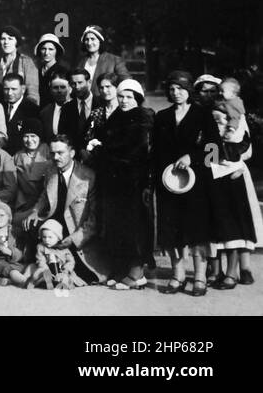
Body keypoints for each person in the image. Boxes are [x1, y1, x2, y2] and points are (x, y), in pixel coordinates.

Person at [87, 78, 154, 290]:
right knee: (117, 226)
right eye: (121, 97)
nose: (124, 101)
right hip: (114, 180)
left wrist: (102, 151)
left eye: (129, 97)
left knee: (134, 227)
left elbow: (133, 151)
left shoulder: (142, 117)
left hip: (133, 181)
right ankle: (122, 270)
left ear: (138, 99)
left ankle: (136, 274)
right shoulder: (117, 116)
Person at [150, 70, 211, 296]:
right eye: (172, 89)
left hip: (197, 184)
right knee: (172, 230)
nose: (176, 93)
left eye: (180, 89)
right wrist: (155, 180)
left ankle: (200, 276)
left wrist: (192, 158)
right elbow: (155, 151)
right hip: (168, 183)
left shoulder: (203, 115)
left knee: (196, 230)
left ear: (189, 91)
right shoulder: (162, 117)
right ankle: (178, 275)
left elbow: (213, 150)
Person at [23, 133, 109, 284]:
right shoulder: (51, 171)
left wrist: (74, 239)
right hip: (55, 223)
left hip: (76, 230)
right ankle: (43, 269)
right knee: (31, 226)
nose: (55, 157)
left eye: (60, 153)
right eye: (52, 153)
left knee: (81, 271)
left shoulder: (88, 176)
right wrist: (35, 212)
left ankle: (50, 273)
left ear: (72, 153)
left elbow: (94, 217)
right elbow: (45, 195)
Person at [205, 100, 257, 289]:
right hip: (215, 185)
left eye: (222, 122)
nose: (219, 126)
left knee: (234, 226)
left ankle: (234, 271)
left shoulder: (236, 141)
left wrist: (237, 165)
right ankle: (216, 270)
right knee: (215, 226)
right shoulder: (211, 144)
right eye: (215, 122)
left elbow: (245, 150)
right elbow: (208, 163)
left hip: (234, 184)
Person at [77, 25, 127, 100]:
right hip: (84, 103)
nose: (89, 43)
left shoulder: (114, 60)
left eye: (93, 39)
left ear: (100, 41)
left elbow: (126, 82)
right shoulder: (81, 62)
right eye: (87, 39)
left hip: (104, 103)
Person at [26, 220, 79, 291]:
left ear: (58, 238)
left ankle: (63, 284)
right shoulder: (41, 247)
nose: (47, 240)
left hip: (61, 271)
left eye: (50, 237)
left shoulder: (64, 249)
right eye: (44, 237)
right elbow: (40, 259)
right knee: (37, 273)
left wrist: (66, 270)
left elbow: (71, 261)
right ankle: (33, 282)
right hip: (46, 269)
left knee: (66, 278)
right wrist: (45, 268)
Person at [0, 26, 40, 105]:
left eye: (10, 39)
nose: (6, 42)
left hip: (20, 109)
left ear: (16, 41)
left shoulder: (26, 62)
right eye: (3, 39)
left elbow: (33, 93)